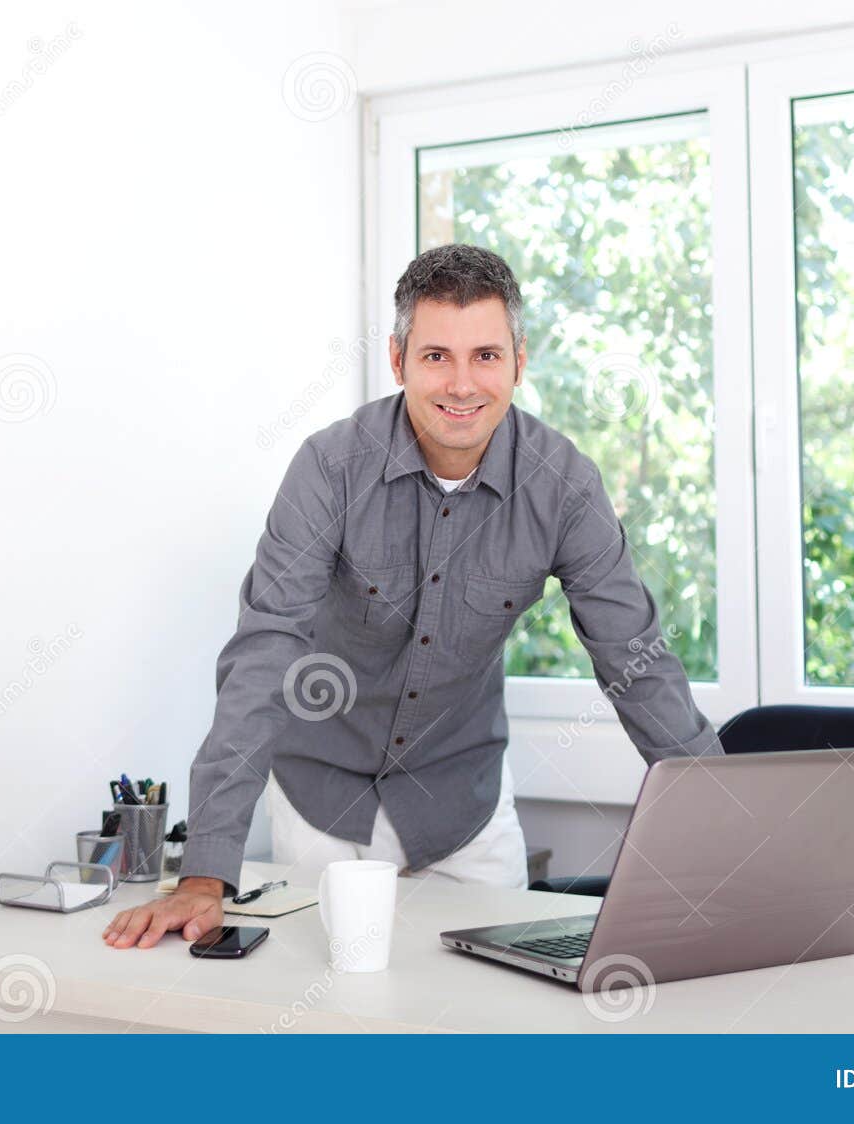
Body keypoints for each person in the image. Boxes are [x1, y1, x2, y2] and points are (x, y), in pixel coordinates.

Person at [103, 244, 719, 950]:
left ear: (520, 359)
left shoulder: (563, 485)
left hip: (464, 809)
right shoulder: (330, 470)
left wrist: (728, 825)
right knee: (329, 1025)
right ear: (398, 361)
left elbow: (635, 661)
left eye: (485, 355)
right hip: (321, 805)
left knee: (489, 1028)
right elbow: (264, 655)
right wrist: (207, 870)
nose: (462, 384)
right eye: (436, 357)